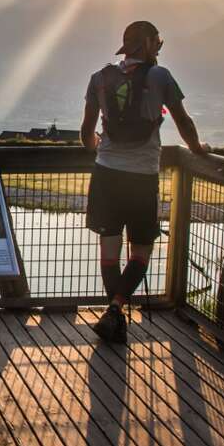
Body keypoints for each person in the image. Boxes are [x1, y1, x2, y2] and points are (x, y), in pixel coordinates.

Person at [80, 20, 208, 344]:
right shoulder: (160, 77)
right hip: (142, 177)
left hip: (106, 173)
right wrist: (197, 149)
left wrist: (98, 146)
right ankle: (115, 308)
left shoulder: (99, 79)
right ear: (150, 44)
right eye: (158, 43)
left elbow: (86, 133)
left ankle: (114, 314)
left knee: (109, 252)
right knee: (141, 253)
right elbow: (183, 122)